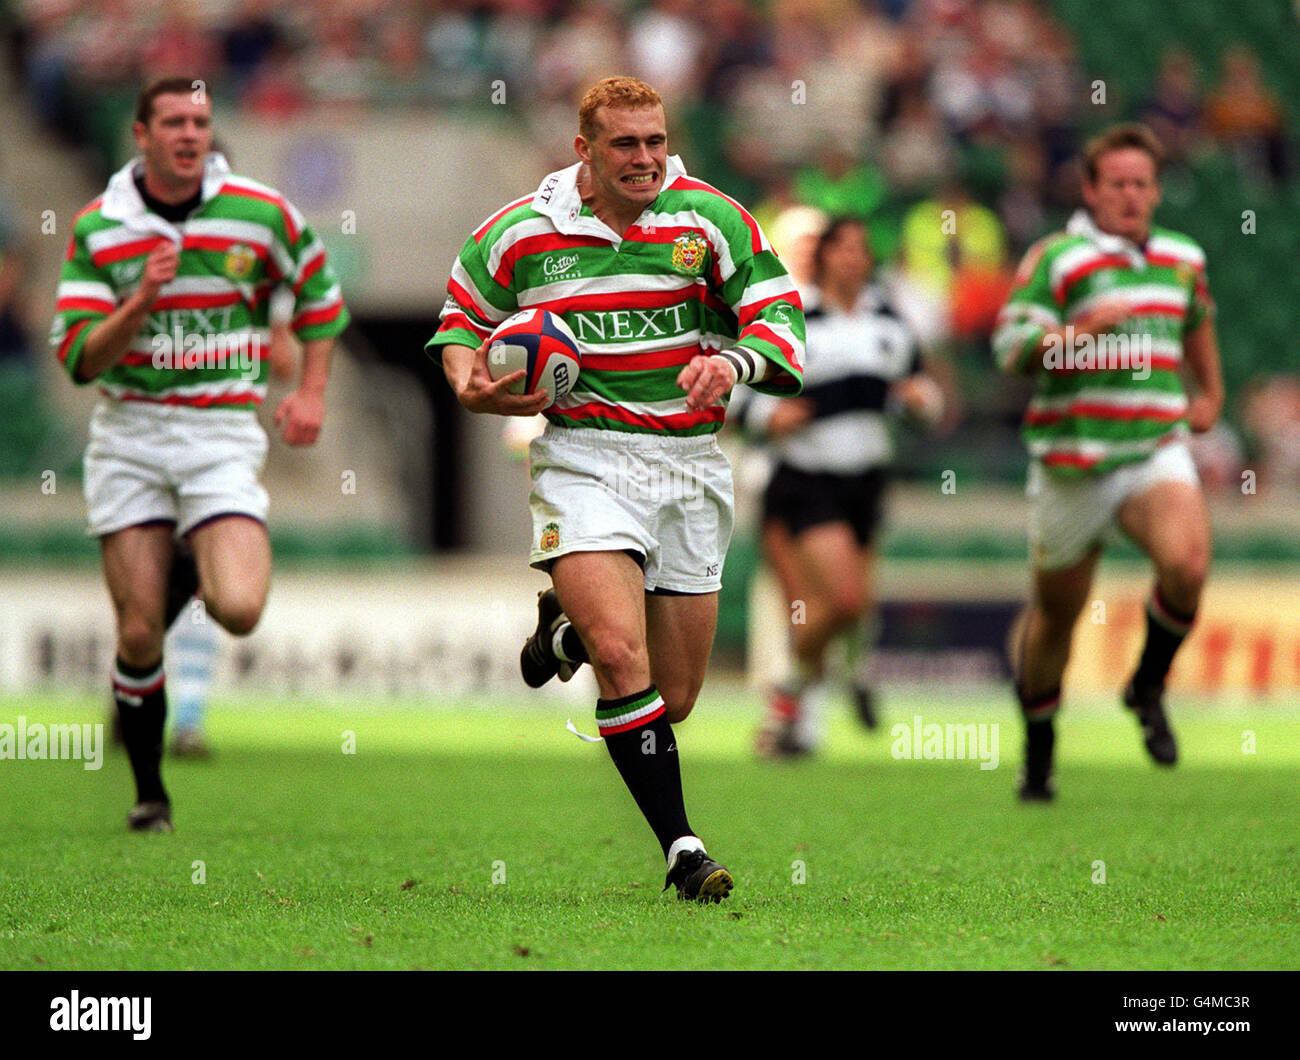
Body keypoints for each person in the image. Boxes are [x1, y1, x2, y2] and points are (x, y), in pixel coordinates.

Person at [427, 76, 804, 901]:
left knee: (676, 696)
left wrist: (731, 360)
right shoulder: (522, 233)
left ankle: (561, 639)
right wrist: (468, 382)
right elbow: (461, 318)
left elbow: (781, 323)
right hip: (584, 456)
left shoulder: (710, 220)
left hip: (689, 463)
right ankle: (683, 849)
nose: (646, 159)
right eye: (626, 144)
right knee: (625, 658)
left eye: (657, 141)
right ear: (584, 151)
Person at [53, 76, 349, 831]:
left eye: (200, 121)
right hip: (131, 436)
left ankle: (185, 561)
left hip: (219, 435)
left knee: (241, 609)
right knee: (138, 634)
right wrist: (138, 304)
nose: (190, 133)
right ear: (141, 134)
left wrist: (311, 392)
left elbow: (320, 298)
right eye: (174, 122)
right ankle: (150, 794)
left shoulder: (260, 213)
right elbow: (81, 360)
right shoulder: (98, 229)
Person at [993, 123, 1222, 801]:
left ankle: (1146, 686)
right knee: (1057, 616)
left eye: (1141, 183)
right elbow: (1011, 349)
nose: (1130, 195)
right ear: (1091, 190)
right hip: (1072, 461)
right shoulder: (1058, 258)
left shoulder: (1182, 257)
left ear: (1156, 191)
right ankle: (1039, 753)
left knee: (1188, 566)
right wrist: (1076, 334)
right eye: (1116, 183)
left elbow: (1197, 320)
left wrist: (1210, 392)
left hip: (1153, 448)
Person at [737, 216, 944, 755]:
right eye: (843, 249)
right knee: (840, 602)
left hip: (867, 480)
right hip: (807, 479)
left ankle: (794, 696)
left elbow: (919, 390)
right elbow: (742, 397)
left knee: (853, 608)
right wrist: (768, 419)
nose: (854, 259)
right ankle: (806, 699)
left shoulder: (889, 321)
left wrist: (923, 404)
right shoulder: (794, 317)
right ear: (823, 257)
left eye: (863, 249)